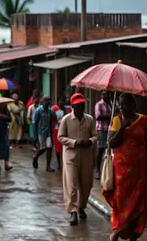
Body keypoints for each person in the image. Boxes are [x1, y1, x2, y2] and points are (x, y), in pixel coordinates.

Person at [104, 93, 147, 241]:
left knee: (139, 201)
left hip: (140, 170)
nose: (121, 107)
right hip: (121, 170)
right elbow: (111, 143)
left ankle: (134, 235)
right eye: (120, 104)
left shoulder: (144, 120)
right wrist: (122, 127)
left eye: (125, 104)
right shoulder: (117, 120)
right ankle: (117, 230)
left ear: (133, 105)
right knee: (121, 201)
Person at [58, 93, 97, 226]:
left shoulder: (90, 119)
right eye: (79, 105)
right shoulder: (66, 119)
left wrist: (90, 141)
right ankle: (73, 211)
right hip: (70, 155)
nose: (81, 107)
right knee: (72, 184)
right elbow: (61, 137)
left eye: (83, 104)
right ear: (73, 106)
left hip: (86, 155)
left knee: (86, 184)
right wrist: (75, 142)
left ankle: (81, 207)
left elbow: (95, 135)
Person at [32, 96, 56, 172]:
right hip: (41, 132)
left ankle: (48, 166)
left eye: (49, 101)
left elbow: (55, 119)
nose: (47, 102)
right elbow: (34, 123)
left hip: (48, 132)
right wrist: (35, 135)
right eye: (46, 101)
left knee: (49, 148)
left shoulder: (50, 111)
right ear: (42, 101)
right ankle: (35, 157)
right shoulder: (38, 110)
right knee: (43, 148)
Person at [94, 90, 113, 179]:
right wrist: (111, 115)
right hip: (101, 129)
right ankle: (97, 169)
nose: (104, 96)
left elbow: (118, 114)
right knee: (100, 149)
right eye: (103, 94)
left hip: (111, 129)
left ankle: (109, 169)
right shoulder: (99, 104)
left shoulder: (112, 104)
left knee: (110, 150)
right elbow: (98, 117)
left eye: (106, 94)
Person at [0, 103, 13, 172]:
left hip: (5, 132)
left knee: (6, 146)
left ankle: (6, 163)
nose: (0, 106)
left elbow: (10, 119)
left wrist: (4, 117)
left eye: (1, 105)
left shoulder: (6, 111)